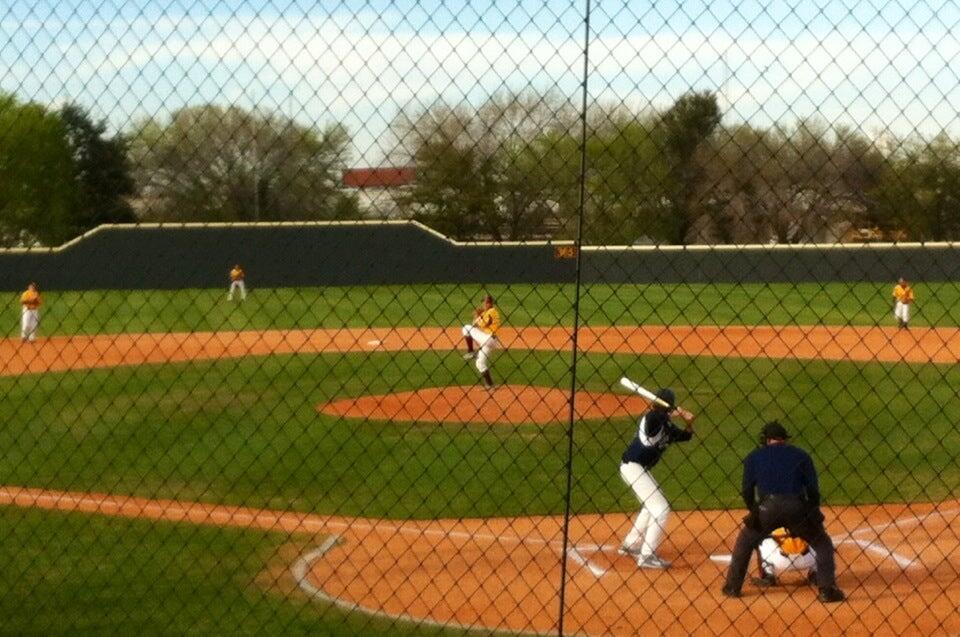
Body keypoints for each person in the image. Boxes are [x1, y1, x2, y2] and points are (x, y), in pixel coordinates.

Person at [721, 421, 845, 602]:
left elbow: (747, 490)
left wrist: (754, 510)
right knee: (822, 542)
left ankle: (733, 587)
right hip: (796, 507)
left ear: (765, 440)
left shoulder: (754, 456)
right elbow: (813, 490)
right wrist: (812, 512)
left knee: (746, 541)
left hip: (767, 508)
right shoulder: (801, 456)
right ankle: (827, 590)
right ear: (784, 440)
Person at [618, 388, 695, 569]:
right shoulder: (651, 418)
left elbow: (687, 436)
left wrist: (689, 422)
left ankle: (631, 544)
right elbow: (657, 418)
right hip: (632, 466)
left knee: (652, 505)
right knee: (660, 508)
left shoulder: (667, 426)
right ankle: (646, 556)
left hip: (639, 469)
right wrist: (674, 413)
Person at [751, 527, 818, 587]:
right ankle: (815, 573)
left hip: (781, 561)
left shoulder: (773, 518)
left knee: (763, 540)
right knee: (824, 540)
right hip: (808, 559)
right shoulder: (807, 516)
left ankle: (768, 574)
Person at [462, 294, 501, 390]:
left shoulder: (492, 311)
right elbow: (474, 324)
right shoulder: (485, 312)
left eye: (486, 302)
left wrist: (478, 317)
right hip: (488, 341)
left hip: (489, 338)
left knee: (466, 328)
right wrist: (477, 316)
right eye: (484, 302)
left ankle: (470, 351)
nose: (484, 304)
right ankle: (490, 385)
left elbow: (485, 323)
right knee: (480, 363)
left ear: (490, 303)